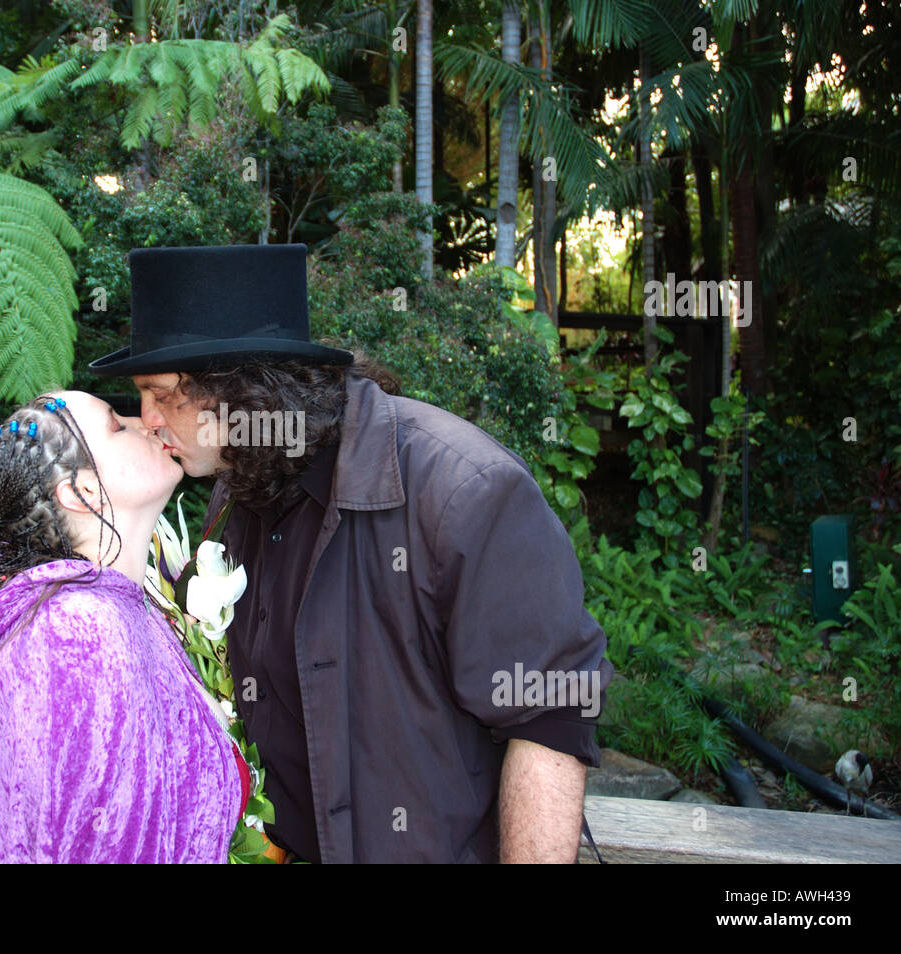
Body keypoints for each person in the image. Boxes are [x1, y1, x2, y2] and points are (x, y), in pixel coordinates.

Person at [89, 243, 615, 863]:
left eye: (161, 393)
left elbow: (549, 717)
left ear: (242, 388)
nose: (146, 418)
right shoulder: (235, 487)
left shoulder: (462, 491)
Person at [0, 391, 249, 863]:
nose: (145, 422)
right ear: (81, 493)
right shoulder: (73, 636)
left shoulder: (99, 610)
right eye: (117, 426)